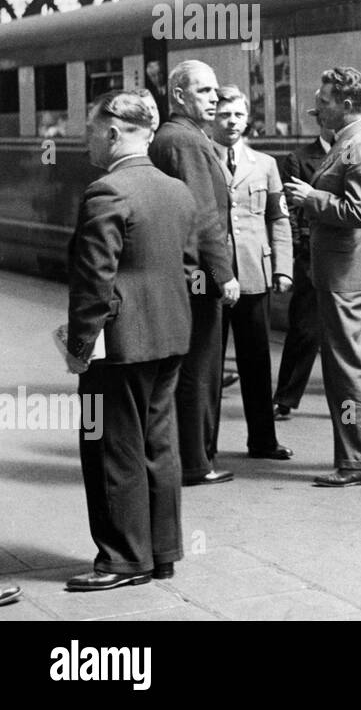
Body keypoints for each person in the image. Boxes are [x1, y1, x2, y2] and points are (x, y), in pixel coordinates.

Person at [65, 90, 197, 590]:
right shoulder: (175, 189)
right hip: (169, 337)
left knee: (108, 447)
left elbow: (94, 279)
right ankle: (161, 552)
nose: (88, 142)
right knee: (158, 445)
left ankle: (122, 558)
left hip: (116, 346)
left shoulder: (107, 191)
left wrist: (79, 348)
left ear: (115, 132)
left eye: (91, 132)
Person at [283, 68, 361, 487]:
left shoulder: (354, 147)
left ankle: (358, 461)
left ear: (348, 104)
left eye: (324, 99)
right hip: (357, 269)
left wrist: (311, 198)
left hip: (341, 276)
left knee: (344, 369)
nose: (316, 106)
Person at [148, 59, 240, 486]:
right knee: (200, 370)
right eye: (204, 91)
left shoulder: (172, 138)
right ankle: (196, 463)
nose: (215, 99)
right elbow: (204, 215)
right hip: (198, 277)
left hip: (181, 273)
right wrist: (224, 275)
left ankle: (192, 458)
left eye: (215, 91)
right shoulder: (187, 142)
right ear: (180, 96)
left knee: (191, 369)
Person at [210, 86, 293, 460]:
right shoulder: (200, 160)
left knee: (257, 362)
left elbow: (279, 218)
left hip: (254, 276)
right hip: (211, 277)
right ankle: (203, 445)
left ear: (247, 120)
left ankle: (263, 440)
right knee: (209, 365)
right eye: (224, 114)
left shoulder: (265, 164)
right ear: (212, 118)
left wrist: (284, 268)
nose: (231, 122)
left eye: (238, 115)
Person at [272, 111, 333, 420]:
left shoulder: (355, 152)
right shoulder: (298, 158)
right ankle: (285, 397)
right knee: (305, 329)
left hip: (345, 253)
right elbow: (289, 213)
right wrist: (296, 251)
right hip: (311, 255)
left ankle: (353, 406)